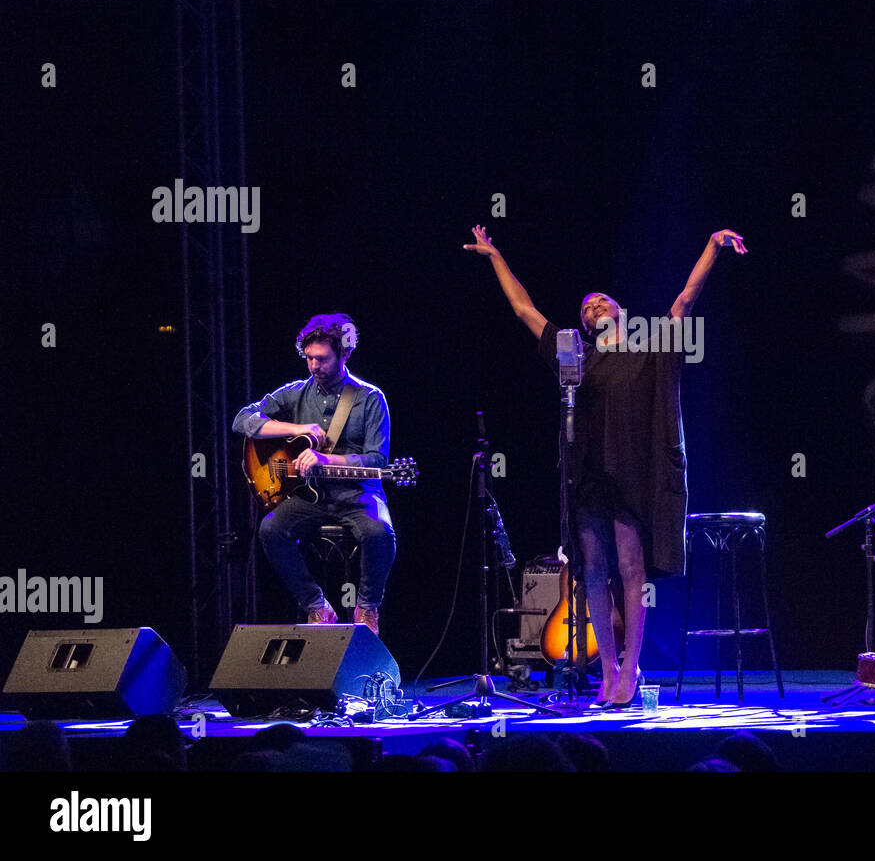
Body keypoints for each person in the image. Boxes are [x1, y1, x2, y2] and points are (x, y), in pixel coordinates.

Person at [464, 224, 746, 707]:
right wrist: (494, 256)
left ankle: (632, 666)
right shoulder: (576, 357)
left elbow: (684, 299)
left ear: (620, 313)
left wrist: (712, 246)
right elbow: (524, 310)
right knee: (592, 570)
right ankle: (608, 667)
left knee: (632, 568)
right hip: (587, 472)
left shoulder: (652, 350)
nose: (594, 305)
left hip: (635, 474)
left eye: (603, 301)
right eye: (586, 305)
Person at [232, 313, 396, 635]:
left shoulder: (370, 398)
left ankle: (366, 608)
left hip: (358, 494)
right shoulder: (295, 392)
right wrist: (298, 428)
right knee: (270, 530)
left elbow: (377, 458)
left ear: (344, 354)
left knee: (381, 534)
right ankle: (316, 606)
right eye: (308, 358)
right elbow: (242, 420)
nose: (313, 366)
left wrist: (325, 459)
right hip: (311, 495)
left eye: (321, 359)